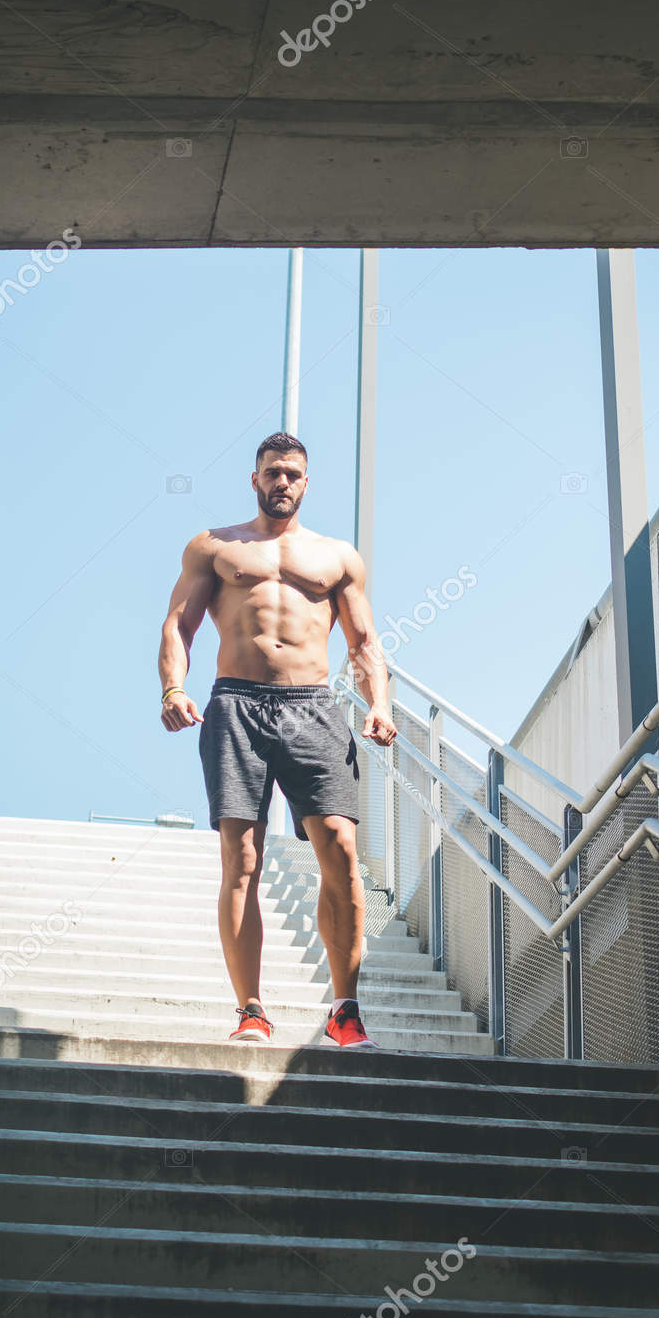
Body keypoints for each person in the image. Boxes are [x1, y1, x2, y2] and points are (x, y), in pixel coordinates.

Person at [158, 432, 397, 1047]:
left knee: (341, 849)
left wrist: (379, 705)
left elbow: (364, 643)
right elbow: (178, 625)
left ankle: (344, 1009)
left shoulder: (337, 557)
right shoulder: (215, 547)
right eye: (271, 472)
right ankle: (251, 1011)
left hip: (313, 706)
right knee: (242, 858)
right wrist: (173, 689)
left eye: (292, 473)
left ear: (306, 483)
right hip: (236, 703)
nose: (281, 482)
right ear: (255, 478)